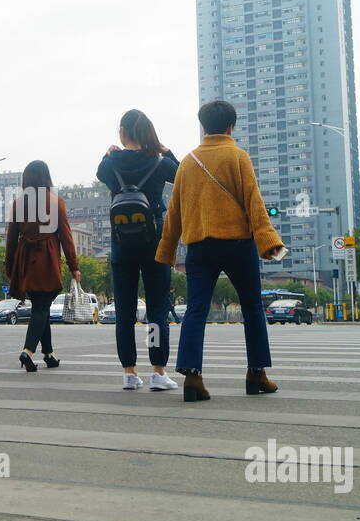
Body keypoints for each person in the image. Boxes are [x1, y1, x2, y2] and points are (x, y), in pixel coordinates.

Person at [156, 100, 286, 401]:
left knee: (196, 310)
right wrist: (267, 241)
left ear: (203, 126)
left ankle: (192, 377)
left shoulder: (188, 162)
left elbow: (173, 211)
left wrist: (167, 250)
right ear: (231, 126)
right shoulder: (237, 157)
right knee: (253, 308)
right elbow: (254, 201)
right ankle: (256, 374)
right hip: (238, 244)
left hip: (199, 246)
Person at [97, 108, 179, 391]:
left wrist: (108, 154)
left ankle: (129, 373)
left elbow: (100, 172)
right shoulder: (158, 162)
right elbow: (182, 175)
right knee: (156, 310)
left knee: (125, 311)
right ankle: (158, 372)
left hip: (121, 246)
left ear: (122, 132)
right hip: (154, 245)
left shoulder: (111, 164)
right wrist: (167, 152)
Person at [5, 160, 80, 372]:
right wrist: (74, 266)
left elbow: (10, 238)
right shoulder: (56, 202)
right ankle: (27, 351)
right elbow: (66, 236)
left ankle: (49, 354)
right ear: (47, 177)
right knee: (41, 306)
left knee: (41, 305)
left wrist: (10, 266)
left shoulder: (19, 203)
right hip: (47, 259)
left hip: (25, 259)